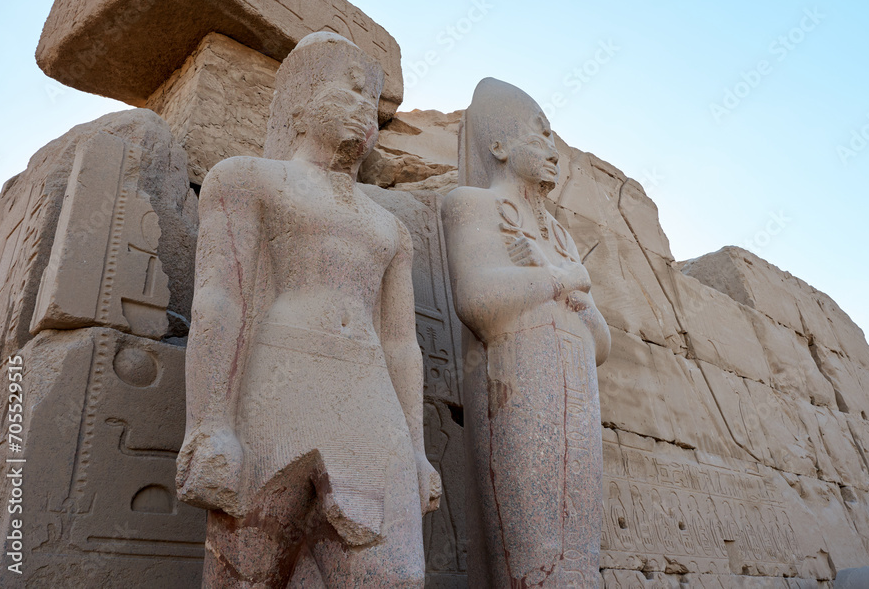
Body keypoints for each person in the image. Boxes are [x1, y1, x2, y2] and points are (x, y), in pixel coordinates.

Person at [175, 32, 441, 588]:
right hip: (276, 383)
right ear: (298, 104)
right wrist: (209, 425)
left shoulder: (389, 227)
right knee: (247, 570)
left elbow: (399, 343)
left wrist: (417, 452)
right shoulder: (247, 180)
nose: (363, 110)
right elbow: (222, 300)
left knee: (395, 576)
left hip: (369, 399)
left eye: (371, 100)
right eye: (347, 92)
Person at [442, 78, 611, 588]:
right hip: (517, 391)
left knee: (580, 561)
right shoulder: (471, 204)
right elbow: (480, 302)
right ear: (498, 146)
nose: (553, 151)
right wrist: (563, 280)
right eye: (539, 136)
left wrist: (548, 276)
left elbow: (601, 342)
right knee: (535, 563)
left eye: (554, 139)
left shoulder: (559, 236)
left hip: (579, 397)